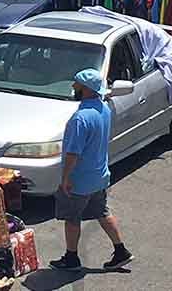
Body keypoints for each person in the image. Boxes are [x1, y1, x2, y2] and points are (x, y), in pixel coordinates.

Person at [50, 68, 132, 272]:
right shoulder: (104, 109)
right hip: (99, 176)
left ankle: (71, 258)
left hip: (80, 179)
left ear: (85, 89)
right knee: (102, 212)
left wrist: (66, 178)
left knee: (71, 218)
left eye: (76, 83)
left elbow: (73, 154)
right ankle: (121, 251)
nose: (73, 86)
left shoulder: (80, 119)